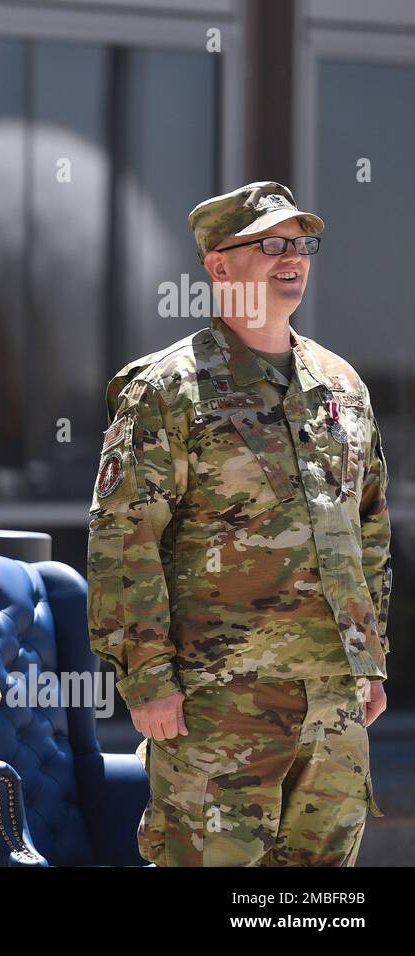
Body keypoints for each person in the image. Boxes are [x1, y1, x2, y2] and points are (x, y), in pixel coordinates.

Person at [86, 182, 391, 866]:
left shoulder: (340, 384)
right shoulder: (167, 390)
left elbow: (366, 529)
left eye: (301, 244)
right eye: (270, 244)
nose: (293, 258)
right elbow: (124, 545)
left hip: (333, 704)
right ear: (218, 265)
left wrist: (368, 661)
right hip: (217, 702)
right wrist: (147, 679)